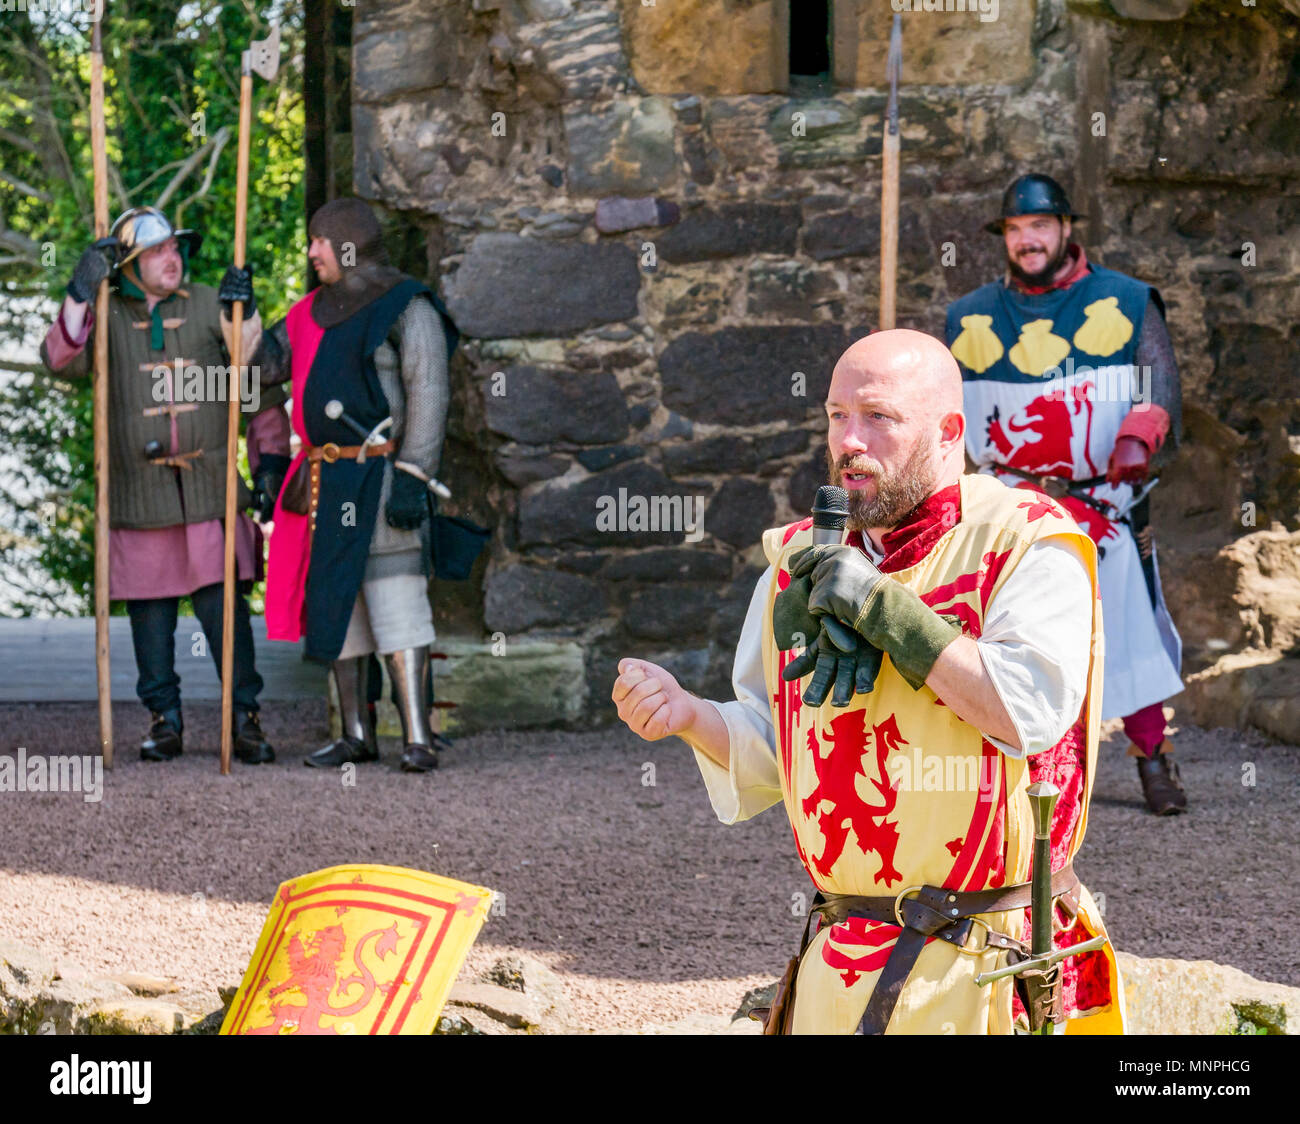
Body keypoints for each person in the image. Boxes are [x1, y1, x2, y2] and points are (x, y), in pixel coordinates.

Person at [612, 330, 1125, 1034]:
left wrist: (886, 611)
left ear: (949, 431)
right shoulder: (799, 558)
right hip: (840, 967)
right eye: (835, 416)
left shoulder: (1026, 542)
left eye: (878, 418)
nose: (849, 441)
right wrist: (688, 714)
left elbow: (1026, 713)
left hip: (988, 966)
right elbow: (781, 749)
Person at [945, 173, 1186, 815]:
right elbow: (943, 405)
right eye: (1016, 230)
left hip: (1103, 498)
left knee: (1128, 623)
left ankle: (1152, 757)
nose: (1027, 241)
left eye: (1040, 227)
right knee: (1005, 629)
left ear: (1066, 229)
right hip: (1010, 502)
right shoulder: (969, 317)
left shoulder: (1127, 300)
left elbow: (1157, 384)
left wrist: (1141, 433)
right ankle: (1011, 768)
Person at [40, 206, 290, 764]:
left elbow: (257, 381)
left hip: (208, 489)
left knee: (224, 613)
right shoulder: (105, 315)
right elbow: (59, 359)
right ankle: (165, 720)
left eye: (174, 249)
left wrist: (270, 458)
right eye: (157, 252)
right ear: (129, 266)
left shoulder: (208, 303)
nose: (172, 258)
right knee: (150, 622)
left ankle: (242, 719)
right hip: (139, 495)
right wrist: (81, 290)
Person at [257, 198, 458, 773]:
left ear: (345, 244)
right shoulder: (309, 312)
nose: (312, 251)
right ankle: (355, 732)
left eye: (319, 240)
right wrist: (241, 313)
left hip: (383, 473)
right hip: (326, 480)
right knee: (337, 602)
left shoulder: (406, 305)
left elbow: (429, 390)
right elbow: (260, 373)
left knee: (396, 598)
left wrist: (415, 474)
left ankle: (417, 735)